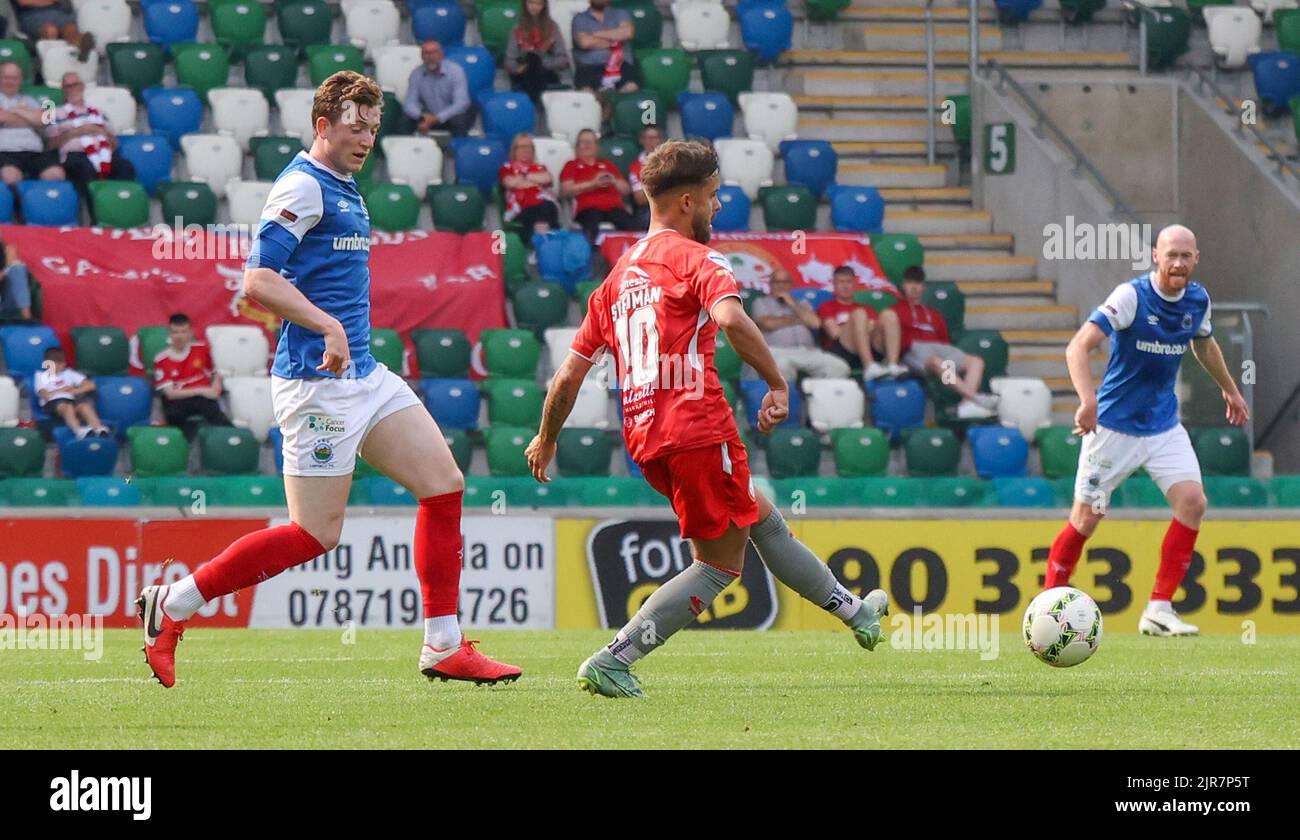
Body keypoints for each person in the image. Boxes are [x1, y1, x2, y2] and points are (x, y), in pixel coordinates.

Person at [136, 72, 519, 689]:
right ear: (323, 125)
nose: (366, 137)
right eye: (354, 126)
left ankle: (443, 645)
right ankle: (176, 602)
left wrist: (344, 337)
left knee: (445, 485)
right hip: (317, 384)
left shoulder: (345, 185)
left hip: (364, 376)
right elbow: (257, 281)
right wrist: (327, 327)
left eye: (372, 126)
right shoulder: (302, 185)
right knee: (314, 534)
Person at [525, 139, 889, 699]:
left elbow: (569, 375)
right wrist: (776, 381)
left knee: (758, 513)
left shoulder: (615, 280)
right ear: (689, 201)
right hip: (698, 427)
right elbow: (734, 321)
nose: (719, 208)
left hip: (647, 436)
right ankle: (614, 658)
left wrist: (546, 439)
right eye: (715, 197)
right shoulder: (698, 259)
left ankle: (854, 611)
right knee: (719, 565)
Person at [1044, 224, 1249, 637]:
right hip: (1113, 429)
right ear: (1155, 255)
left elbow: (1203, 343)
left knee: (1193, 502)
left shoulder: (1197, 299)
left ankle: (1158, 608)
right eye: (1170, 254)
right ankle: (1049, 610)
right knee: (1087, 518)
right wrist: (1088, 400)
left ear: (1196, 259)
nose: (1177, 263)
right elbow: (1078, 346)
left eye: (1185, 256)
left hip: (1162, 428)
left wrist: (1230, 389)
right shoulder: (1131, 297)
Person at [883, 265, 997, 419]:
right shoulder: (895, 311)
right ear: (904, 285)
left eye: (918, 283)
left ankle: (966, 405)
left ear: (923, 287)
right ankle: (976, 398)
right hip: (914, 351)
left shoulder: (934, 314)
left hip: (940, 350)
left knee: (975, 361)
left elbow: (944, 342)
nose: (914, 287)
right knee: (937, 362)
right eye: (911, 283)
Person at [46, 72, 136, 218]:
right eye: (67, 86)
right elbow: (50, 144)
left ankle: (123, 215)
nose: (71, 89)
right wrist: (76, 132)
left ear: (82, 87)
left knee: (125, 167)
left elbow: (114, 142)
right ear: (63, 90)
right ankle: (97, 218)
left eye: (75, 85)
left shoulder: (99, 112)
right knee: (87, 169)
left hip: (103, 154)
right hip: (75, 156)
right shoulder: (55, 113)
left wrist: (102, 132)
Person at [750, 268, 851, 382]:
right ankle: (789, 398)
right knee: (781, 366)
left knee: (840, 367)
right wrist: (799, 320)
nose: (781, 286)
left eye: (785, 282)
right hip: (778, 351)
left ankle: (813, 393)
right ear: (770, 284)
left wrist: (791, 303)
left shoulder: (802, 303)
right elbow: (768, 324)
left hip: (808, 351)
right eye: (777, 282)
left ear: (791, 285)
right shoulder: (761, 302)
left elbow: (815, 323)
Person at [817, 264, 906, 381]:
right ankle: (869, 366)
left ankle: (893, 365)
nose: (845, 286)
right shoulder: (827, 307)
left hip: (869, 347)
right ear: (834, 285)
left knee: (889, 315)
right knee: (859, 314)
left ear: (855, 284)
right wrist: (858, 324)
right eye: (840, 282)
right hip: (843, 351)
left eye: (848, 282)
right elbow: (834, 333)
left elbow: (873, 328)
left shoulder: (866, 308)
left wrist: (860, 326)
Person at [152, 313, 232, 440]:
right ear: (170, 334)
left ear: (189, 333)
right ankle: (181, 444)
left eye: (183, 332)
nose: (179, 336)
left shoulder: (202, 349)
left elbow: (214, 372)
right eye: (175, 332)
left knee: (214, 412)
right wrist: (201, 390)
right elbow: (171, 393)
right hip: (179, 400)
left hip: (203, 399)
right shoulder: (161, 359)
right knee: (174, 414)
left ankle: (228, 440)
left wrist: (216, 386)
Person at [559, 128, 635, 242]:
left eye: (590, 142)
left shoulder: (607, 164)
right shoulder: (571, 165)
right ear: (577, 147)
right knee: (591, 221)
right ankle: (588, 257)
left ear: (596, 146)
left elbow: (626, 190)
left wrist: (614, 181)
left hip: (614, 208)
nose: (587, 145)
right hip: (587, 209)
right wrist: (593, 184)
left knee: (632, 225)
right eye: (583, 142)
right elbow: (566, 191)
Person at [0, 61, 65, 189]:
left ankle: (43, 206)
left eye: (14, 78)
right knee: (10, 177)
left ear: (20, 80)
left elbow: (45, 120)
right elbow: (1, 118)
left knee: (56, 175)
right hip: (5, 151)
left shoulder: (29, 100)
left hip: (35, 151)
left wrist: (15, 111)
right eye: (6, 77)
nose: (10, 81)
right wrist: (30, 118)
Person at [402, 40, 475, 137]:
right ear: (422, 57)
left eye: (434, 52)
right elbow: (409, 103)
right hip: (427, 117)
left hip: (450, 117)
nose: (430, 57)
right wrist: (421, 116)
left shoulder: (455, 71)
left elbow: (460, 103)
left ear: (441, 54)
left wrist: (437, 118)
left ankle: (458, 149)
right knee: (405, 120)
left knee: (459, 119)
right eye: (426, 53)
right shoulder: (416, 74)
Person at [34, 346, 110, 438]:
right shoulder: (41, 375)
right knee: (67, 406)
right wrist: (64, 389)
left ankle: (99, 429)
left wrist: (75, 391)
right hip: (52, 403)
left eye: (60, 363)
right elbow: (46, 395)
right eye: (55, 363)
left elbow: (91, 385)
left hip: (71, 400)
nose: (58, 366)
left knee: (84, 406)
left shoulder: (69, 373)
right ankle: (78, 431)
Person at [506, 0, 570, 105]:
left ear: (544, 6)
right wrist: (519, 68)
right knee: (531, 58)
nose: (534, 7)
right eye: (531, 3)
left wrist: (541, 63)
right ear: (525, 4)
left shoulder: (552, 27)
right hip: (523, 71)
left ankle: (531, 103)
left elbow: (562, 59)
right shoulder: (517, 28)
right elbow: (509, 60)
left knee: (534, 60)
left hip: (546, 71)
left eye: (538, 4)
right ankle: (537, 102)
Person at [571, 0, 639, 94]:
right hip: (589, 67)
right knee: (586, 93)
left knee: (631, 87)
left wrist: (594, 34)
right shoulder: (580, 18)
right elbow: (585, 42)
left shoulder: (620, 13)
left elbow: (628, 33)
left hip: (621, 65)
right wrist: (615, 39)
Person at [499, 132, 560, 236]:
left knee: (547, 207)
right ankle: (544, 242)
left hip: (545, 205)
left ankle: (540, 243)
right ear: (514, 150)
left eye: (529, 147)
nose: (525, 150)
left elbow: (548, 178)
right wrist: (536, 182)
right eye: (521, 147)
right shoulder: (507, 168)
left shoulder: (540, 167)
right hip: (522, 208)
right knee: (542, 213)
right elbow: (511, 183)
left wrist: (524, 176)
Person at [13, 0, 94, 60]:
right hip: (32, 14)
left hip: (59, 12)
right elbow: (24, 2)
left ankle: (81, 48)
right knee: (51, 30)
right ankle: (56, 61)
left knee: (70, 29)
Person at [627, 124, 661, 230]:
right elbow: (640, 198)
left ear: (660, 140)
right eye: (647, 138)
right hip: (647, 209)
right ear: (642, 140)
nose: (651, 142)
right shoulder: (636, 166)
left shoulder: (670, 163)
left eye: (654, 138)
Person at [0, 236, 33, 321]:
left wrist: (10, 265)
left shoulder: (4, 248)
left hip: (4, 302)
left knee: (17, 268)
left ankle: (28, 321)